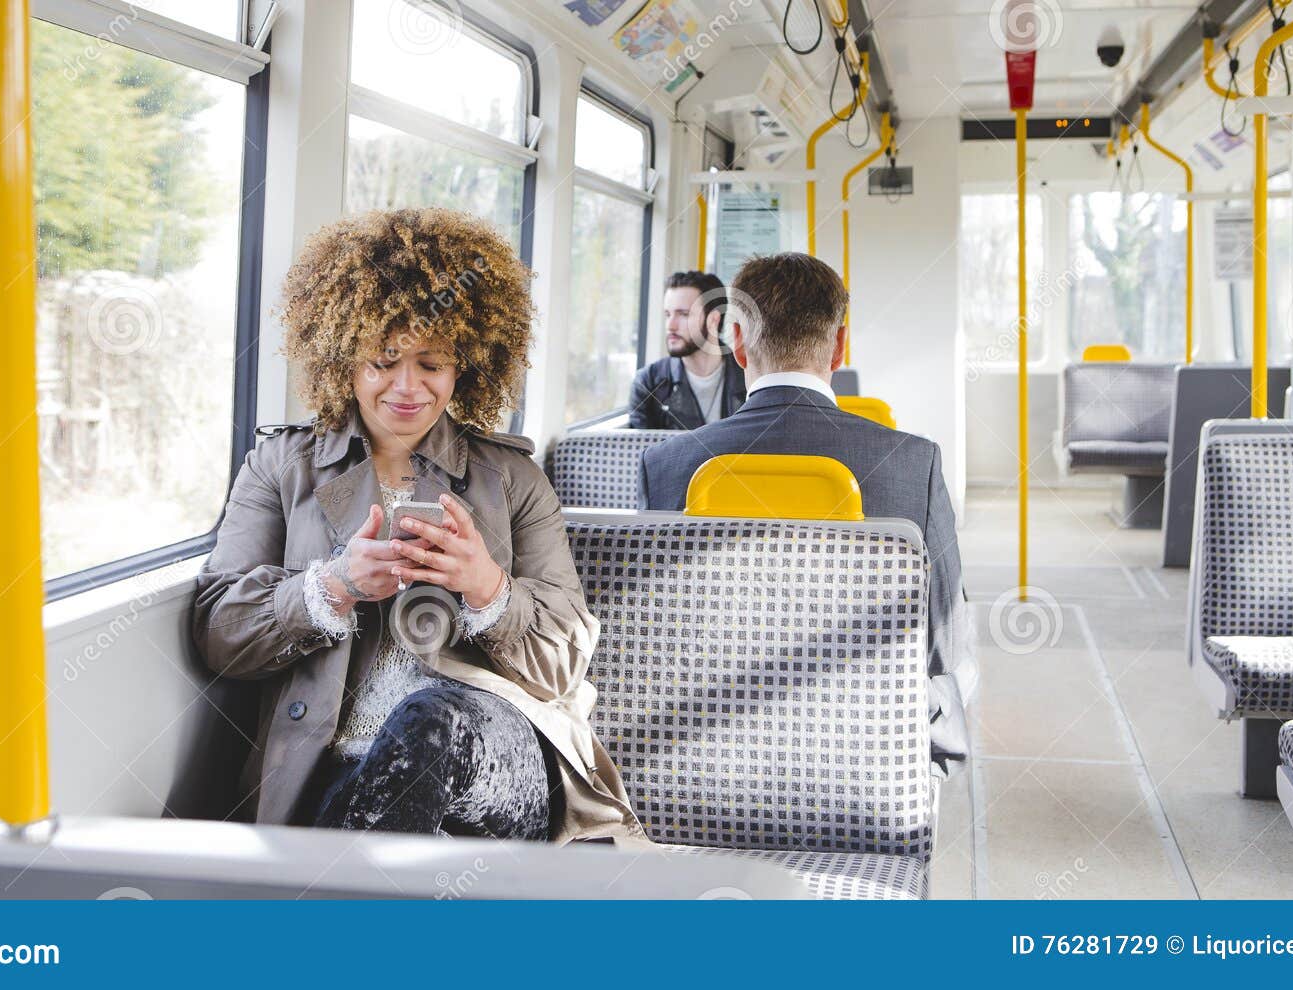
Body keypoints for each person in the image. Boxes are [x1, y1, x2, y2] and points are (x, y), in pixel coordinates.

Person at [193, 207, 644, 844]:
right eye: (382, 361)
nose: (407, 387)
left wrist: (489, 587)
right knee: (376, 797)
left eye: (431, 364)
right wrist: (334, 586)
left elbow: (561, 667)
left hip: (493, 755)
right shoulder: (280, 466)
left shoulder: (513, 479)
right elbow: (219, 633)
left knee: (429, 719)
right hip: (336, 763)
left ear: (464, 367)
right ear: (344, 360)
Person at [637, 252, 973, 774]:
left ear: (739, 344)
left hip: (704, 753)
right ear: (839, 346)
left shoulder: (668, 465)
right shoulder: (914, 464)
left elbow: (656, 635)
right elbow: (947, 641)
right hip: (865, 757)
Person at [626, 271, 747, 429]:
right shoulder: (648, 384)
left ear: (713, 320)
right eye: (667, 314)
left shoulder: (749, 377)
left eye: (683, 314)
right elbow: (641, 451)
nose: (671, 325)